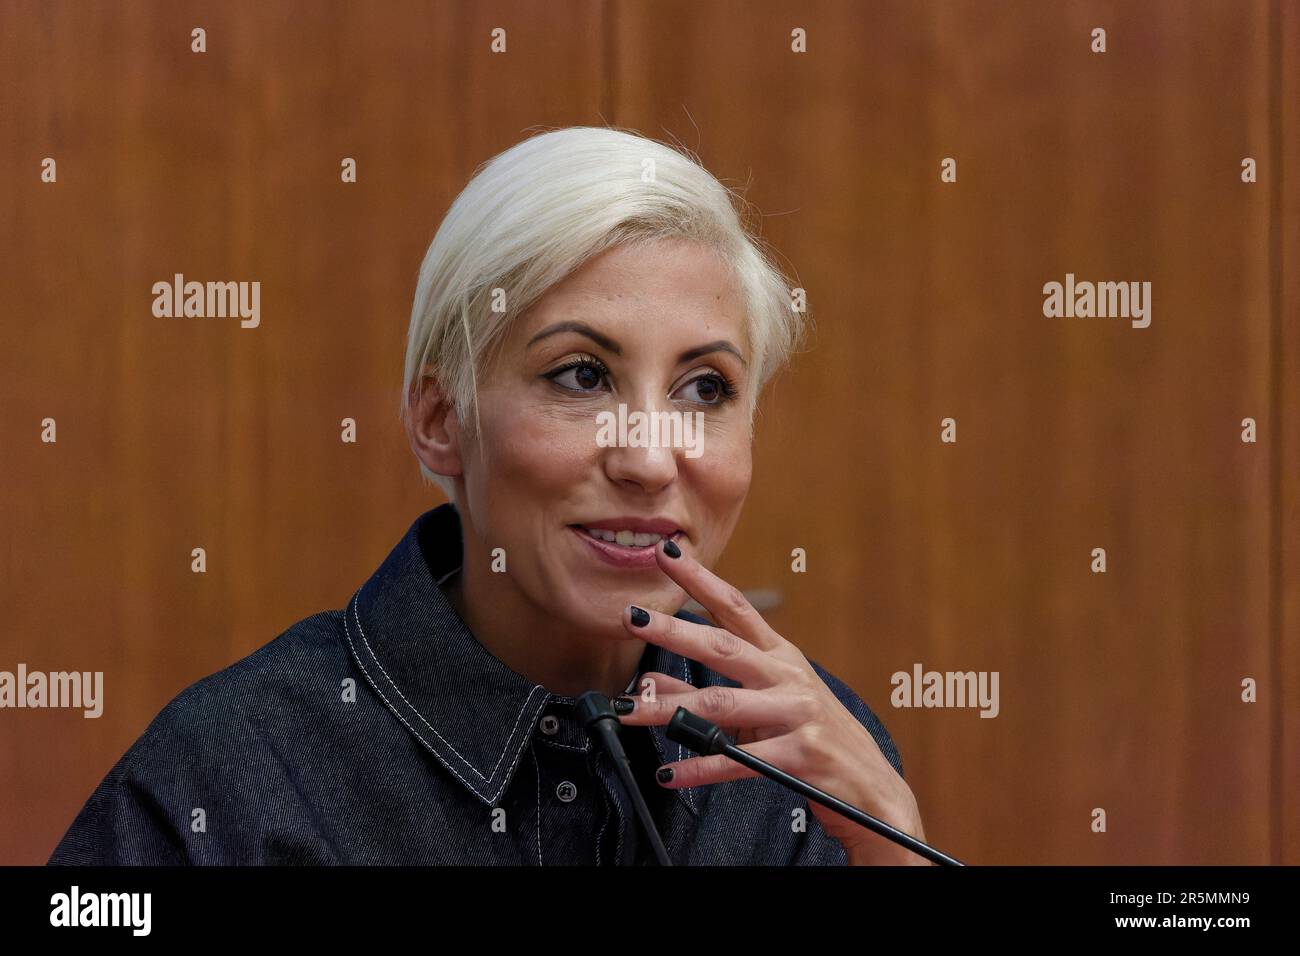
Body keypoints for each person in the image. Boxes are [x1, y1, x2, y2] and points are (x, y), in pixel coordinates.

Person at [49, 126, 927, 865]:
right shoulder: (227, 777)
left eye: (705, 390)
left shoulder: (805, 764)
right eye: (582, 375)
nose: (652, 462)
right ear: (440, 418)